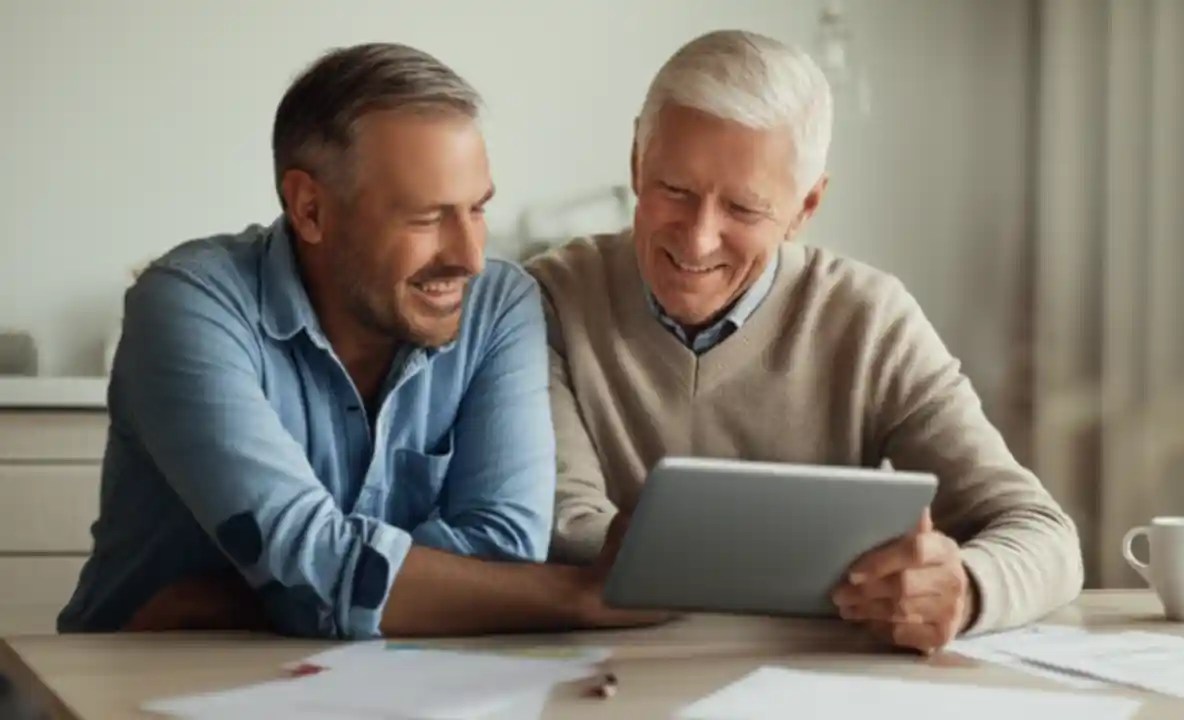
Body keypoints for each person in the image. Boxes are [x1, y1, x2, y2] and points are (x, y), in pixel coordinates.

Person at [59, 43, 656, 639]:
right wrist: (577, 597)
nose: (470, 257)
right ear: (311, 209)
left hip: (385, 683)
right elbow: (482, 585)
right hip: (134, 681)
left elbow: (504, 553)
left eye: (477, 209)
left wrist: (264, 594)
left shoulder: (501, 306)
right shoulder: (188, 305)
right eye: (426, 219)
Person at [526, 30, 1084, 653]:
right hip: (606, 671)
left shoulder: (870, 320)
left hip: (815, 679)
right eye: (675, 191)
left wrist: (970, 588)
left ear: (806, 206)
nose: (699, 238)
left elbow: (1044, 534)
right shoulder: (547, 300)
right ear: (636, 160)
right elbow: (564, 529)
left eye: (742, 208)